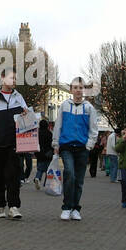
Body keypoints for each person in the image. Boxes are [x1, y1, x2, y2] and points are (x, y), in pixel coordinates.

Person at [0, 68, 31, 219]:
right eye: (12, 78)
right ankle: (0, 205)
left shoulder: (19, 97)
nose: (14, 81)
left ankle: (14, 207)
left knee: (13, 176)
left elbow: (28, 116)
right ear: (2, 78)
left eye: (16, 79)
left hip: (13, 143)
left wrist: (25, 114)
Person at [51, 76, 99, 221]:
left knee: (78, 180)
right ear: (71, 90)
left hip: (82, 148)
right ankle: (66, 207)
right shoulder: (65, 106)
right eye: (75, 88)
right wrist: (56, 143)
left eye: (81, 88)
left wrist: (89, 145)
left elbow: (93, 129)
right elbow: (58, 125)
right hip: (67, 146)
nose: (78, 90)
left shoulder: (89, 108)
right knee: (69, 174)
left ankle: (75, 208)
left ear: (84, 90)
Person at [33, 117, 53, 189]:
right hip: (48, 153)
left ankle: (37, 178)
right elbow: (52, 144)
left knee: (40, 169)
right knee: (48, 169)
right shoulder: (49, 133)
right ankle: (46, 183)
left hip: (40, 153)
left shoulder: (37, 133)